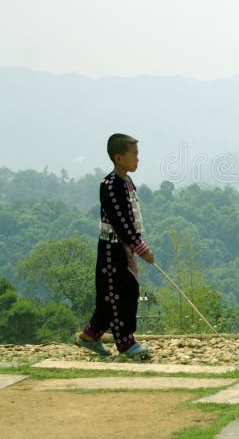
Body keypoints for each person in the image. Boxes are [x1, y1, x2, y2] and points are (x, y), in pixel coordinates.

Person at [75, 133, 154, 358]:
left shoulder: (127, 182)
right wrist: (141, 247)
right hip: (112, 249)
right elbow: (120, 221)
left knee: (119, 293)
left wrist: (135, 247)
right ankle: (125, 342)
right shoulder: (110, 185)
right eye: (134, 155)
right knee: (118, 294)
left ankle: (90, 336)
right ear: (119, 158)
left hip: (124, 248)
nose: (137, 159)